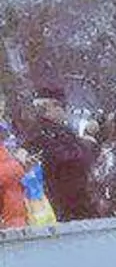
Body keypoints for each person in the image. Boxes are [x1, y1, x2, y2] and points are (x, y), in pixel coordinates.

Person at [27, 84, 98, 220]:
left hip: (70, 201)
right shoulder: (41, 132)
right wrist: (87, 146)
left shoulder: (61, 131)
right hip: (61, 202)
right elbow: (65, 158)